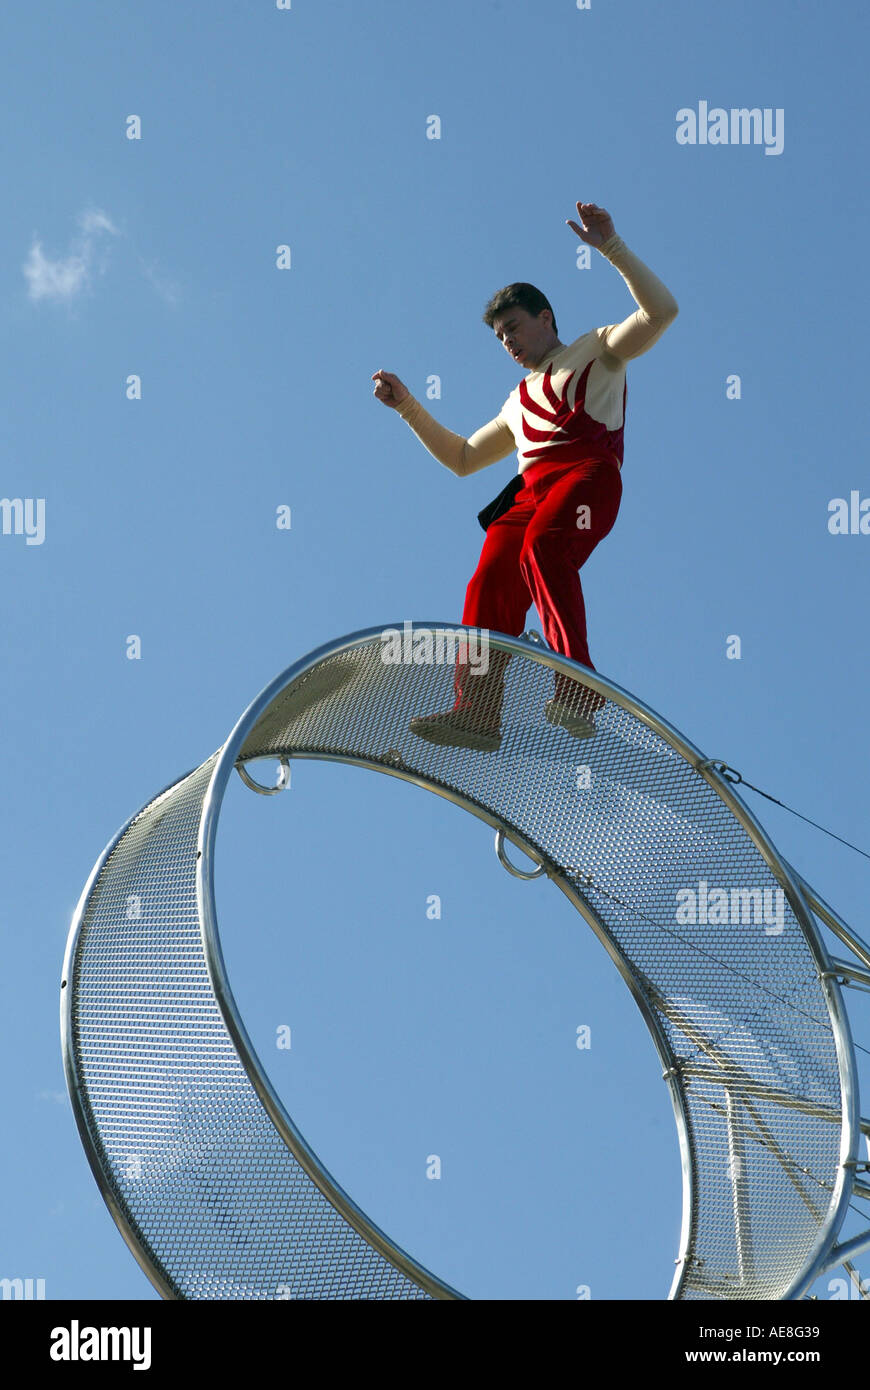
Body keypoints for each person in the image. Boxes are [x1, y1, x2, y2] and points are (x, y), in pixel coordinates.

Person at [372, 200, 678, 752]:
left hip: (587, 476)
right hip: (530, 493)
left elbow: (662, 312)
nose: (508, 342)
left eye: (513, 327)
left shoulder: (596, 349)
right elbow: (463, 458)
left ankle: (578, 688)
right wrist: (408, 407)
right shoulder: (515, 400)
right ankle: (478, 713)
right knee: (488, 580)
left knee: (543, 548)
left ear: (545, 319)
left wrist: (612, 248)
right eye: (499, 337)